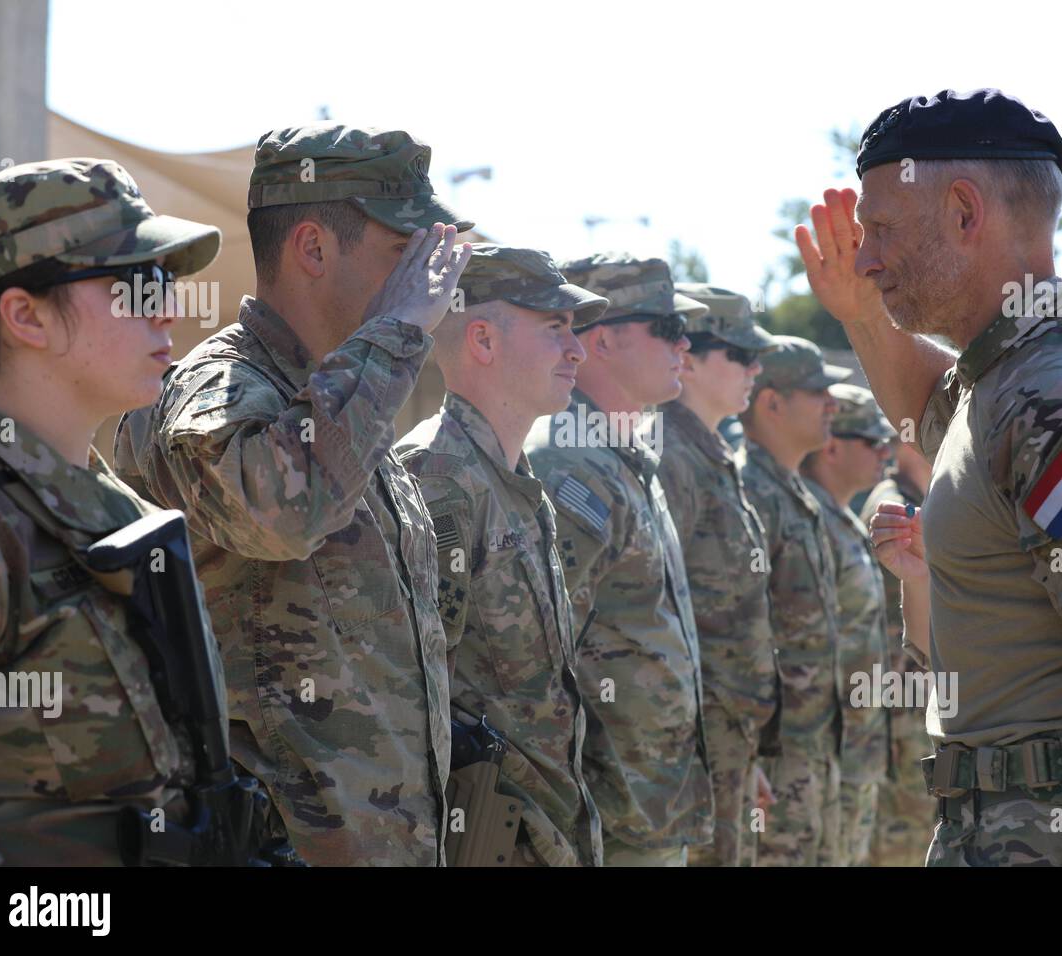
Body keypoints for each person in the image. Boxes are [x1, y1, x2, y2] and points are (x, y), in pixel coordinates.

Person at [798, 88, 1062, 866]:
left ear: (963, 212)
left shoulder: (1056, 397)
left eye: (881, 229)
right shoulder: (1007, 380)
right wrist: (859, 311)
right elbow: (933, 413)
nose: (869, 255)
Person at [114, 124, 471, 866]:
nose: (429, 285)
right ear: (312, 248)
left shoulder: (352, 403)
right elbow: (279, 512)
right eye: (406, 255)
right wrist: (400, 329)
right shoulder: (221, 389)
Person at [0, 157, 235, 863]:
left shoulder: (127, 519)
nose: (169, 309)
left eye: (167, 282)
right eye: (137, 283)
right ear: (25, 316)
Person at [396, 245, 607, 866]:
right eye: (554, 328)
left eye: (576, 331)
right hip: (489, 843)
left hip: (548, 835)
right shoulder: (436, 481)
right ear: (482, 340)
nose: (577, 350)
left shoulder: (515, 479)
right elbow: (415, 701)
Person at [525, 253, 712, 866]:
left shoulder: (624, 455)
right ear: (602, 339)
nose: (685, 342)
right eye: (667, 326)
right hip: (602, 820)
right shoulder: (569, 462)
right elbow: (535, 664)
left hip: (651, 806)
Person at [657, 282, 780, 866]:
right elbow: (655, 607)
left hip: (726, 743)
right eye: (740, 354)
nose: (756, 368)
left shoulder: (709, 452)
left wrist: (744, 754)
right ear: (690, 356)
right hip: (689, 745)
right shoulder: (668, 457)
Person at [739, 336, 852, 866]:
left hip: (812, 754)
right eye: (817, 391)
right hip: (773, 763)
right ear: (772, 403)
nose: (832, 403)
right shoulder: (749, 492)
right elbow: (735, 631)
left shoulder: (794, 492)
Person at [802, 383, 895, 865]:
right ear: (831, 446)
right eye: (872, 441)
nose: (886, 453)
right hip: (821, 755)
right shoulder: (808, 520)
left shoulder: (842, 519)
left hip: (854, 750)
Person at [858, 437, 936, 866]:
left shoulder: (916, 502)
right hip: (901, 707)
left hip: (915, 701)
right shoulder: (893, 509)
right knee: (901, 838)